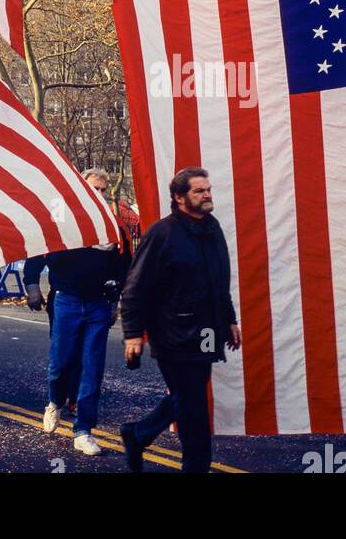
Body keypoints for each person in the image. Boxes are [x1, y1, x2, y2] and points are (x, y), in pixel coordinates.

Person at [119, 167, 242, 475]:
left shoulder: (212, 229)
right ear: (179, 197)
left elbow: (219, 279)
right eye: (199, 191)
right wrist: (133, 334)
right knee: (194, 407)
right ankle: (196, 467)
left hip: (208, 331)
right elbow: (135, 287)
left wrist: (229, 319)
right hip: (173, 332)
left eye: (208, 189)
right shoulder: (163, 233)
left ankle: (137, 435)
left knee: (189, 398)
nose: (207, 195)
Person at [38, 167, 131, 456]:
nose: (99, 194)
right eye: (94, 189)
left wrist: (115, 298)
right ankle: (55, 401)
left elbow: (125, 264)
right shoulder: (66, 222)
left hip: (98, 305)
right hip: (67, 300)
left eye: (103, 190)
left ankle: (83, 430)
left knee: (92, 367)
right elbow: (44, 253)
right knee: (60, 363)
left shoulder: (115, 226)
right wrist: (33, 284)